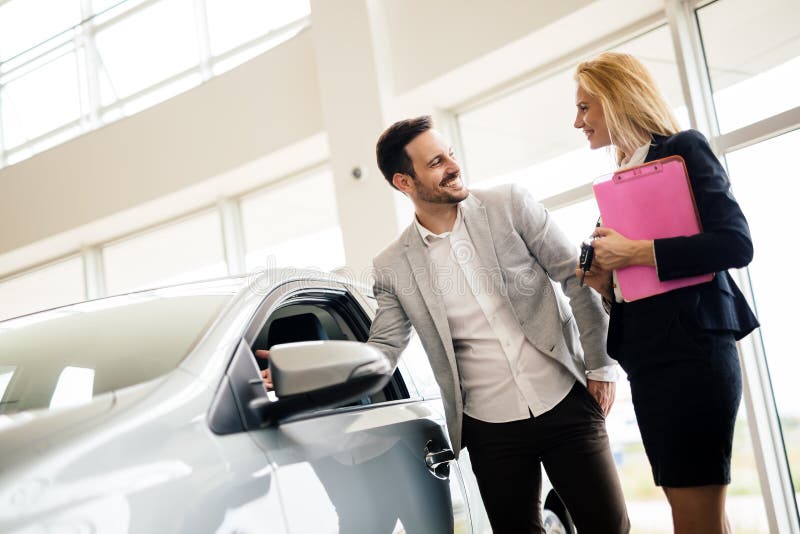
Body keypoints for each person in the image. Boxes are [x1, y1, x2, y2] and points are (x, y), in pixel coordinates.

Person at [366, 115, 630, 533]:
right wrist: (316, 378)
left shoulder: (509, 205)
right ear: (404, 182)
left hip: (565, 400)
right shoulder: (392, 265)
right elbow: (382, 348)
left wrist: (600, 366)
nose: (453, 166)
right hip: (490, 429)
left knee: (609, 528)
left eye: (450, 154)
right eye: (436, 163)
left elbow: (576, 279)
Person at [573, 52, 759, 534]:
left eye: (585, 107)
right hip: (652, 360)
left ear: (615, 99)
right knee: (694, 517)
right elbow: (639, 287)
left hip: (693, 355)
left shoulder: (682, 150)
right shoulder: (619, 180)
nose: (578, 122)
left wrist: (634, 252)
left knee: (696, 518)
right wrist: (604, 284)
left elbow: (735, 243)